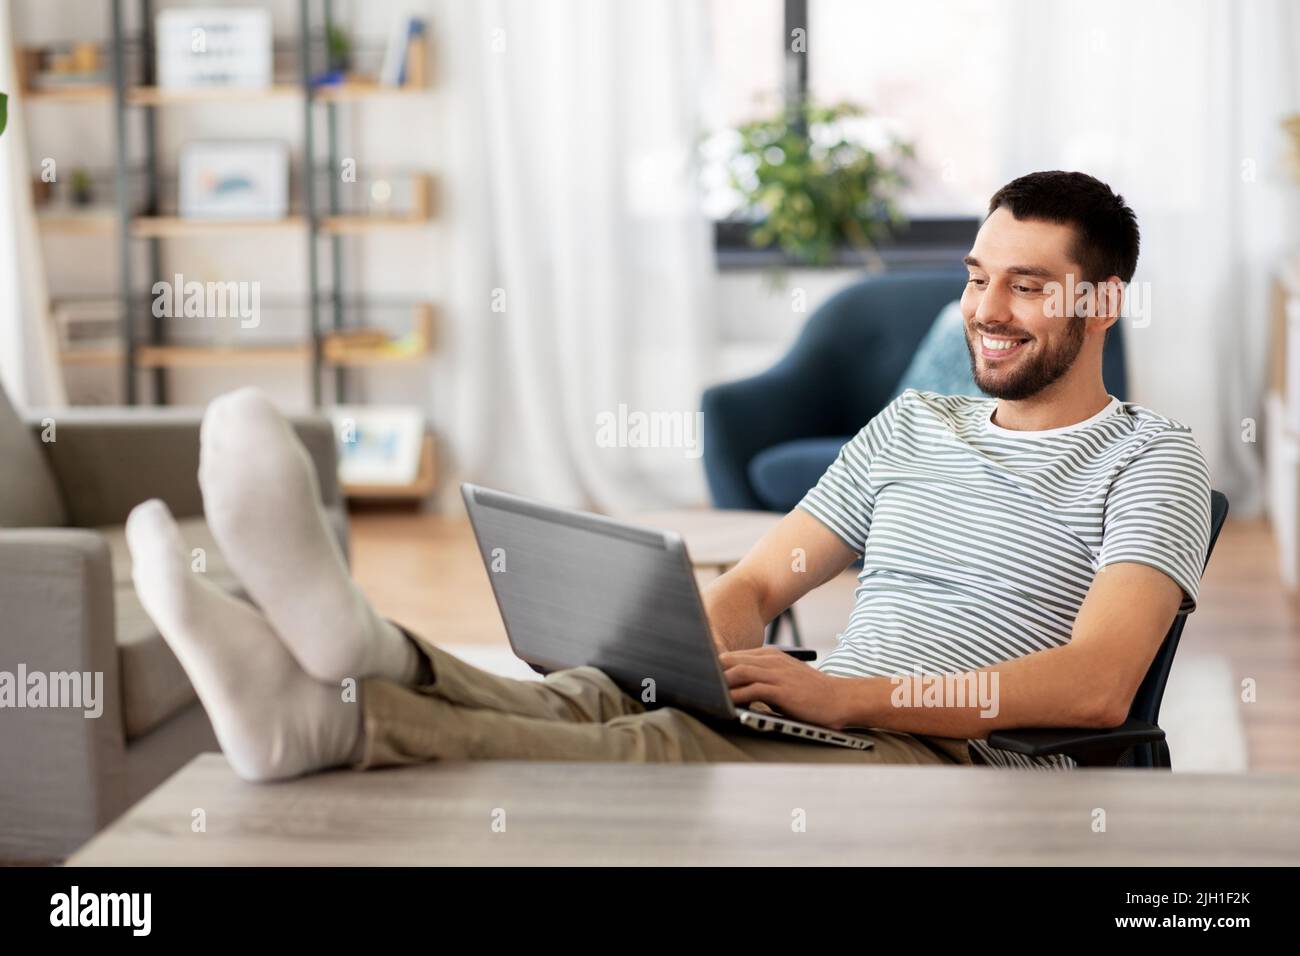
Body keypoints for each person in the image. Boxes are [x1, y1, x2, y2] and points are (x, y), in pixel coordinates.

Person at [127, 170, 1211, 780]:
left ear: (1099, 303)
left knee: (651, 747)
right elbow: (761, 581)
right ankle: (365, 658)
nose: (986, 309)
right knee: (601, 694)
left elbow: (1094, 684)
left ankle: (343, 717)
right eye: (977, 277)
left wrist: (845, 693)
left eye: (1027, 286)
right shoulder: (914, 423)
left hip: (951, 757)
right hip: (833, 710)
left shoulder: (1149, 457)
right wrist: (695, 652)